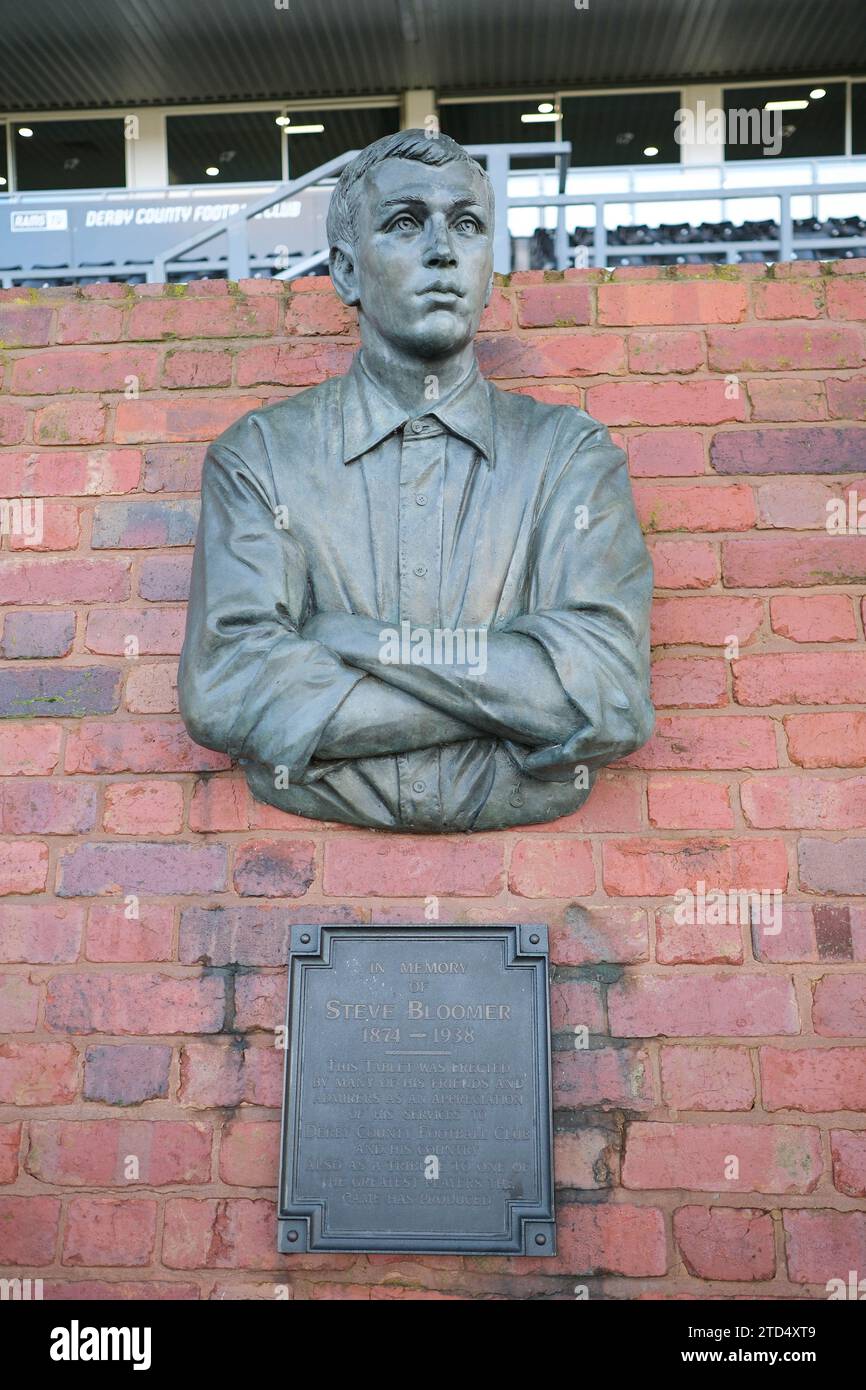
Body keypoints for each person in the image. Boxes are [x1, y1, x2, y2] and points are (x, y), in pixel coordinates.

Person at [178, 130, 655, 832]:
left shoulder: (569, 455)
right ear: (344, 271)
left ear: (490, 266)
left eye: (467, 225)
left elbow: (610, 695)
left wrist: (355, 640)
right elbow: (227, 691)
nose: (442, 249)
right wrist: (511, 697)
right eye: (405, 223)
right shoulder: (260, 458)